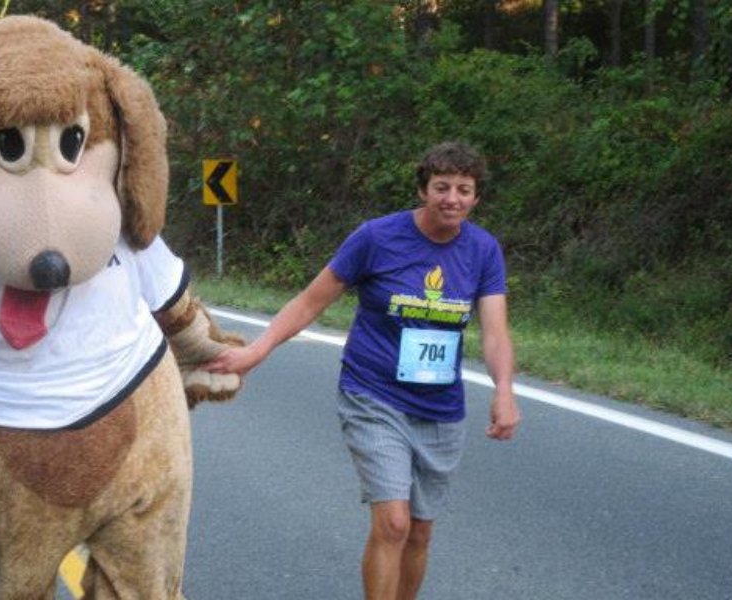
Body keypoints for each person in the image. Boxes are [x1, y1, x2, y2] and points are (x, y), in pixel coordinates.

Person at [206, 141, 519, 600]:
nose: (452, 198)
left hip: (440, 407)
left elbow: (494, 332)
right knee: (393, 523)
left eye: (463, 190)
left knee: (419, 531)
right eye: (442, 187)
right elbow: (310, 301)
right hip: (373, 395)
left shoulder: (483, 250)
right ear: (423, 190)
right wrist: (257, 351)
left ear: (476, 197)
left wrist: (504, 389)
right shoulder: (377, 238)